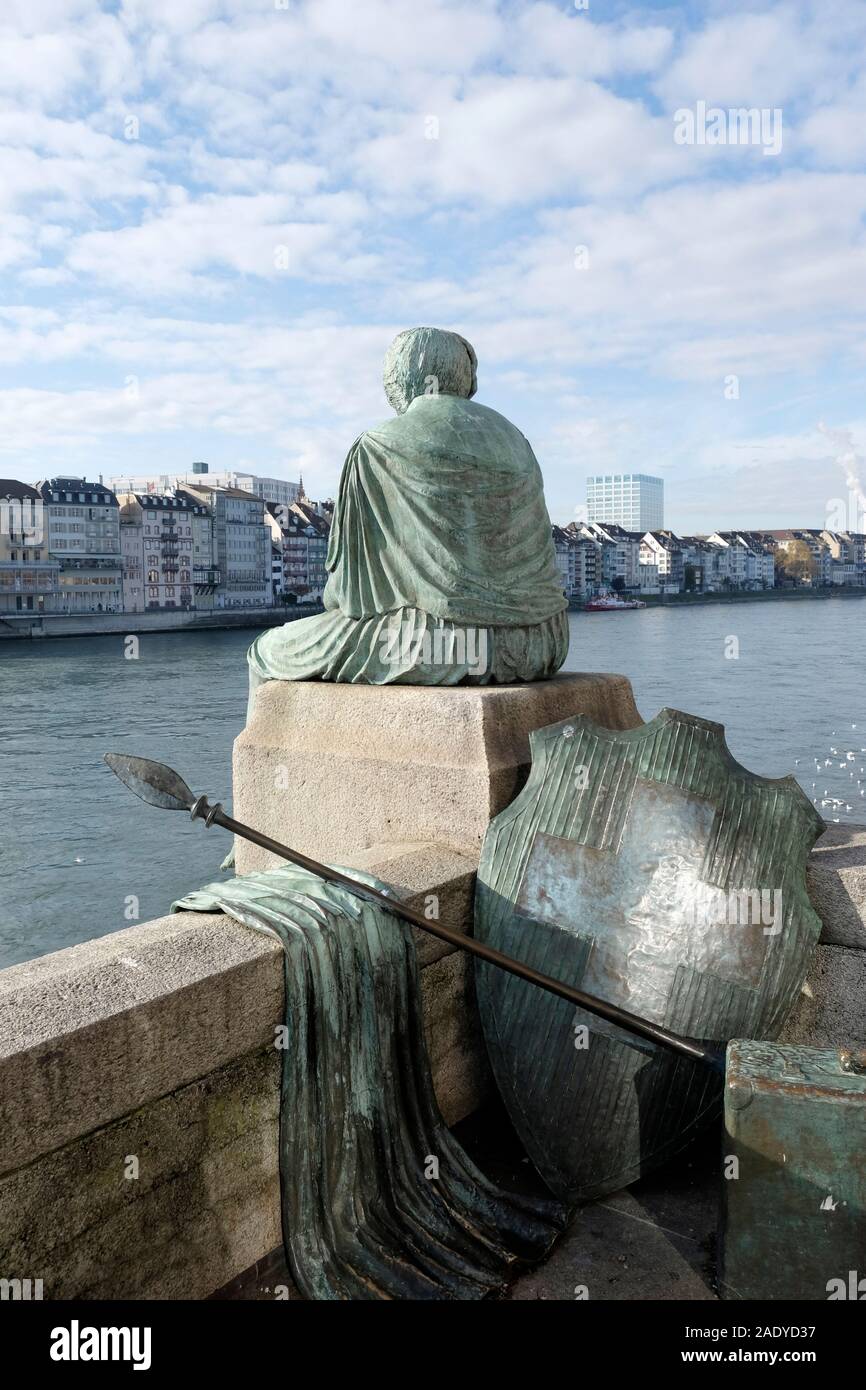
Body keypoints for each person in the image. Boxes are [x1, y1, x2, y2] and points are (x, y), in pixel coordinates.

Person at [245, 325, 568, 723]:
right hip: (541, 643)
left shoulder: (377, 446)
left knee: (266, 651)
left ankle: (298, 778)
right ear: (468, 379)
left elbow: (348, 595)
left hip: (440, 647)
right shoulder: (517, 440)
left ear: (398, 380)